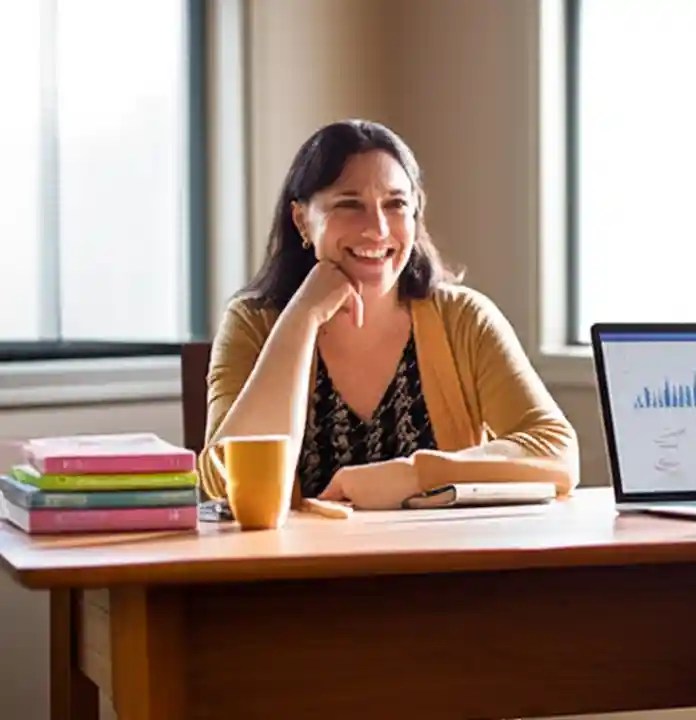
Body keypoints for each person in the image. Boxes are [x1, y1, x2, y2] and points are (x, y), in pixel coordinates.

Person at [198, 119, 578, 509]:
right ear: (301, 220)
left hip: (446, 564)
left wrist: (416, 474)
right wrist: (301, 317)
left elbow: (556, 453)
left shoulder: (464, 319)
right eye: (349, 205)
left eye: (396, 204)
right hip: (302, 567)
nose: (378, 229)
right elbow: (225, 479)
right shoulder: (253, 322)